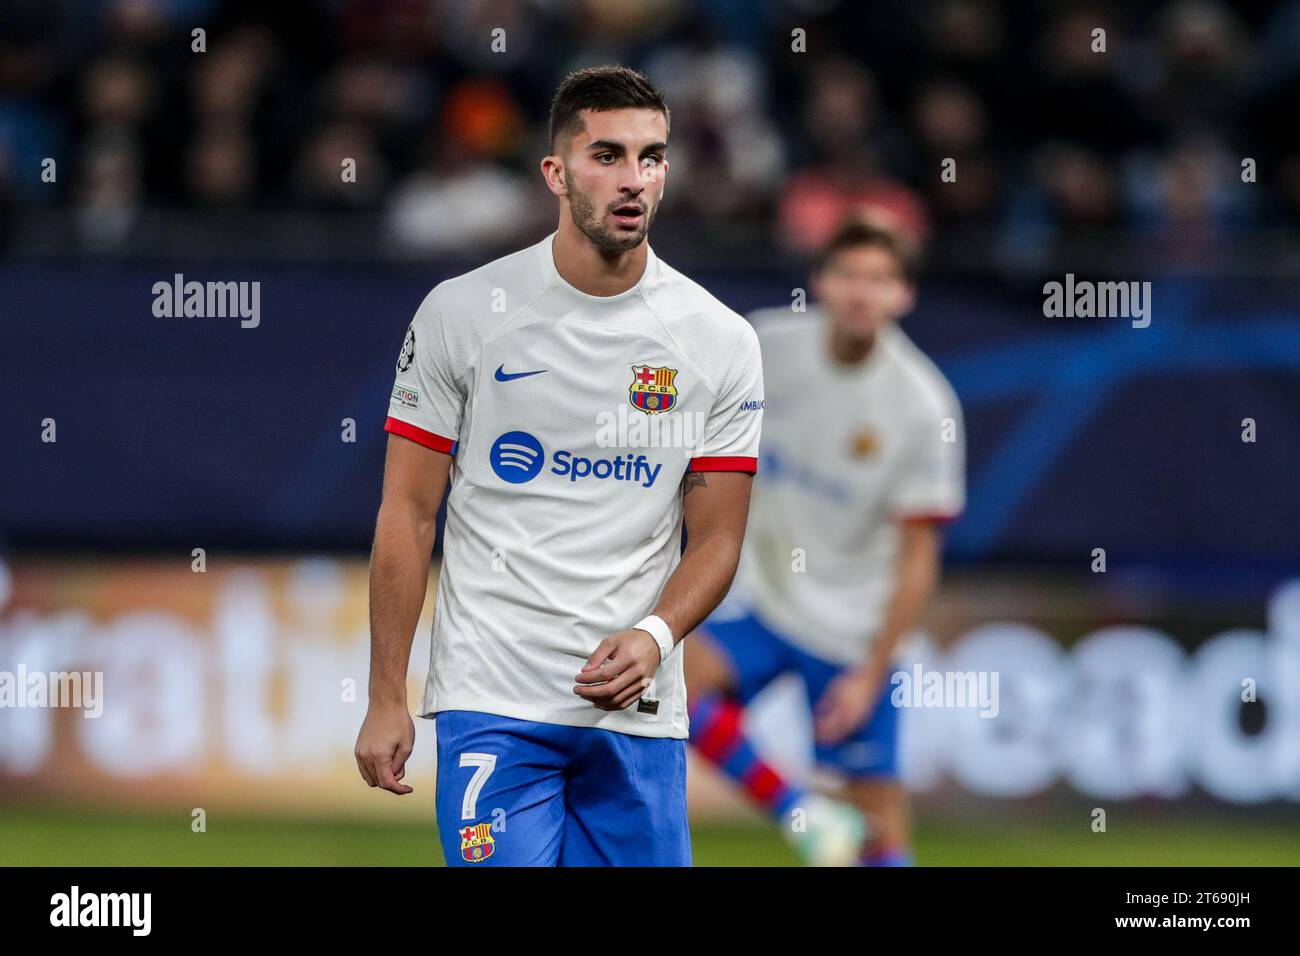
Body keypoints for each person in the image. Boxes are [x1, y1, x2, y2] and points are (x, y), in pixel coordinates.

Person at [354, 65, 765, 866]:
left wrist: (656, 633)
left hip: (637, 709)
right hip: (492, 698)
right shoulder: (464, 313)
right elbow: (407, 513)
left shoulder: (719, 341)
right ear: (555, 172)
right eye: (606, 155)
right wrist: (384, 696)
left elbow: (718, 538)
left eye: (651, 158)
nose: (632, 180)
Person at [685, 218, 964, 866]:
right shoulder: (762, 344)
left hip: (851, 630)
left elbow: (919, 557)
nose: (863, 293)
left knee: (877, 830)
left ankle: (829, 825)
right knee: (668, 687)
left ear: (904, 297)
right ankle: (797, 811)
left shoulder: (924, 406)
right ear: (821, 284)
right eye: (849, 276)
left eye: (881, 280)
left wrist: (872, 672)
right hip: (762, 595)